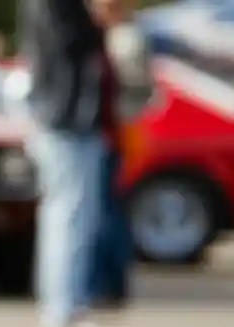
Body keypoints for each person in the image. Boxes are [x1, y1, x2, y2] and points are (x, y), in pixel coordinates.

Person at [18, 0, 112, 327]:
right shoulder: (59, 6)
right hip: (66, 120)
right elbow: (76, 43)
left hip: (62, 118)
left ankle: (63, 302)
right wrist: (99, 19)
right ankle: (63, 305)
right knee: (70, 216)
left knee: (68, 215)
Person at [87, 0, 135, 310]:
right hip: (110, 135)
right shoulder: (121, 39)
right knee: (110, 212)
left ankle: (106, 284)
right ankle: (109, 283)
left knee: (105, 214)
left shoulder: (121, 41)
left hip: (109, 136)